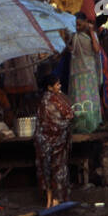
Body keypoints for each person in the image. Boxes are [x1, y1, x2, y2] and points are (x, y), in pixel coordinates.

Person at [35, 70, 75, 207]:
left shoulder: (45, 100)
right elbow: (68, 116)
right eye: (57, 85)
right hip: (54, 141)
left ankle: (49, 200)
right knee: (57, 170)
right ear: (50, 87)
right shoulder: (54, 100)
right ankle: (56, 200)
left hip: (43, 142)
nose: (59, 86)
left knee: (46, 170)